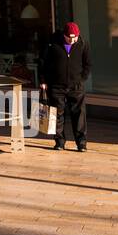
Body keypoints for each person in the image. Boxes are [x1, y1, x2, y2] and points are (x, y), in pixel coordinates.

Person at [39, 21, 91, 151]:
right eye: (70, 38)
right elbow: (42, 62)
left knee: (79, 115)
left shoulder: (83, 44)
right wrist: (43, 80)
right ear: (64, 35)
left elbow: (87, 64)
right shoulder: (52, 43)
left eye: (75, 37)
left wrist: (82, 79)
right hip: (56, 85)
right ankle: (59, 142)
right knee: (57, 114)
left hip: (76, 86)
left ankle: (81, 143)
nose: (72, 40)